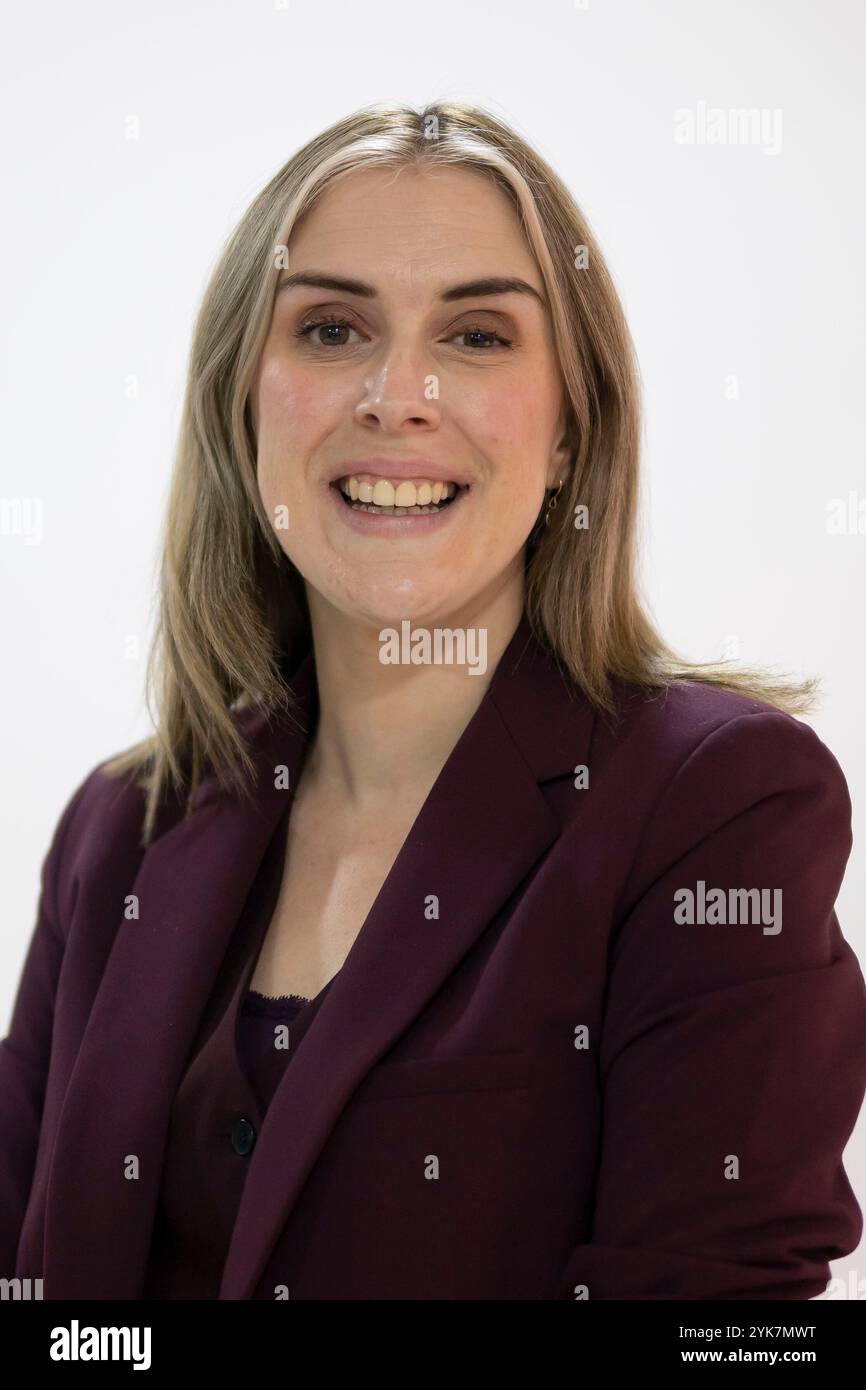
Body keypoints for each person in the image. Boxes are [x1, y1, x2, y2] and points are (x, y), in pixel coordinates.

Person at [3, 101, 865, 1301]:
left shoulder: (715, 808)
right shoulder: (120, 827)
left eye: (474, 335)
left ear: (570, 431)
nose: (395, 395)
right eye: (333, 326)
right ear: (242, 407)